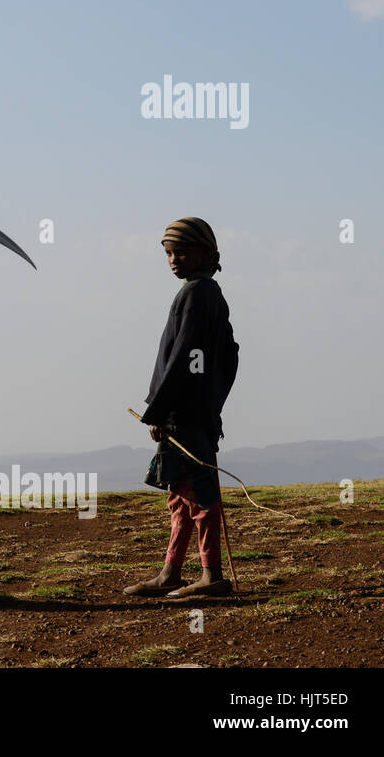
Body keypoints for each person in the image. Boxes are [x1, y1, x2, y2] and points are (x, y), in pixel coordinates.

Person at [125, 217, 239, 599]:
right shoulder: (210, 294)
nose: (174, 259)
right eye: (169, 253)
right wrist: (213, 402)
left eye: (183, 251)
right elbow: (228, 358)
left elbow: (185, 356)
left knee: (200, 495)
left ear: (207, 253)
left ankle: (211, 577)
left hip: (184, 416)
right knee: (181, 495)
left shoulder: (196, 294)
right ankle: (171, 573)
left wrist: (159, 410)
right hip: (195, 413)